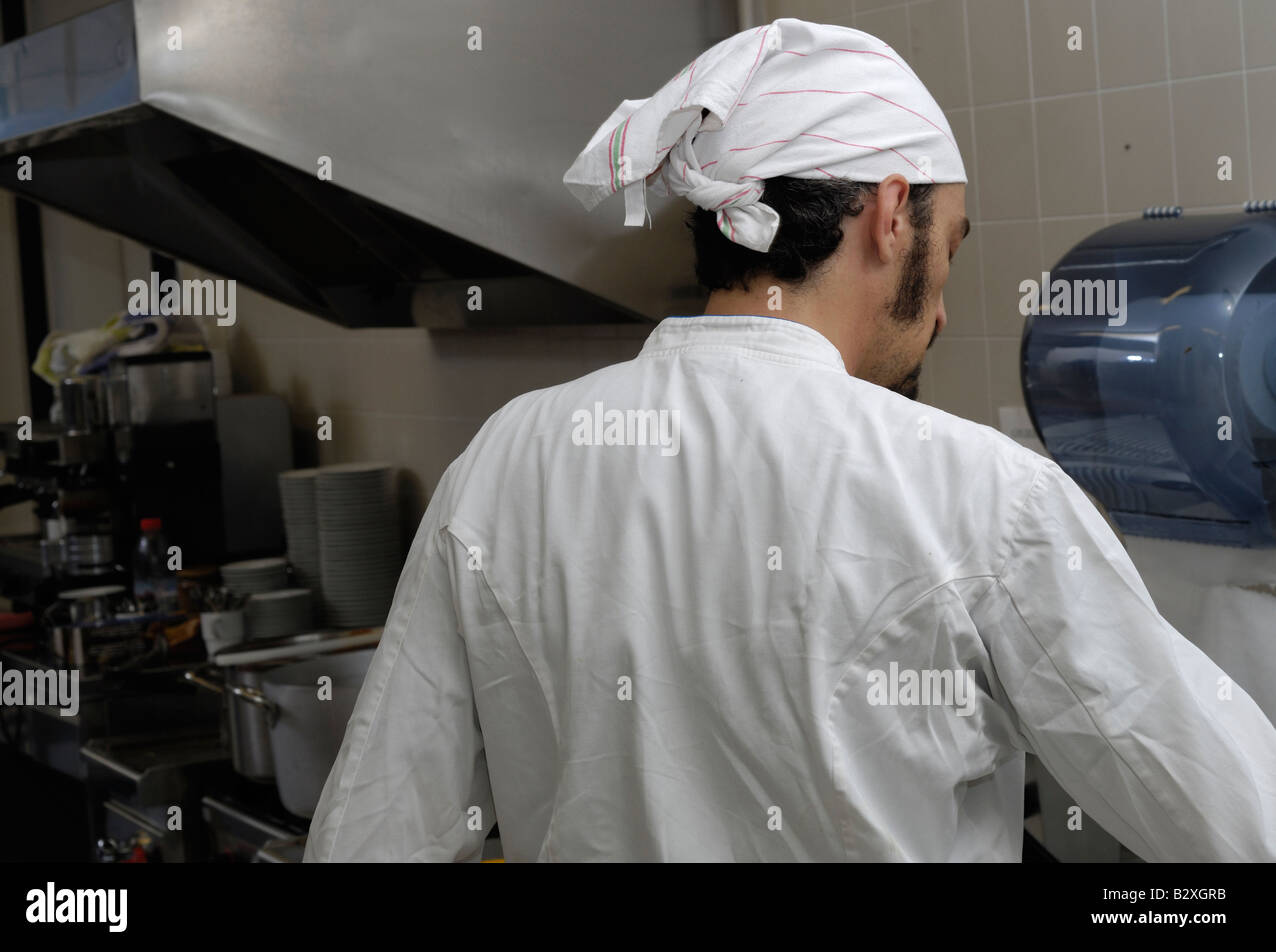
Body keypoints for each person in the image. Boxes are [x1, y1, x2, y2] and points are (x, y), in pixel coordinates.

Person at [304, 19, 1276, 862]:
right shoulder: (978, 495)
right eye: (953, 245)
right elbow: (1239, 818)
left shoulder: (505, 462)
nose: (940, 315)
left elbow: (378, 832)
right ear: (893, 214)